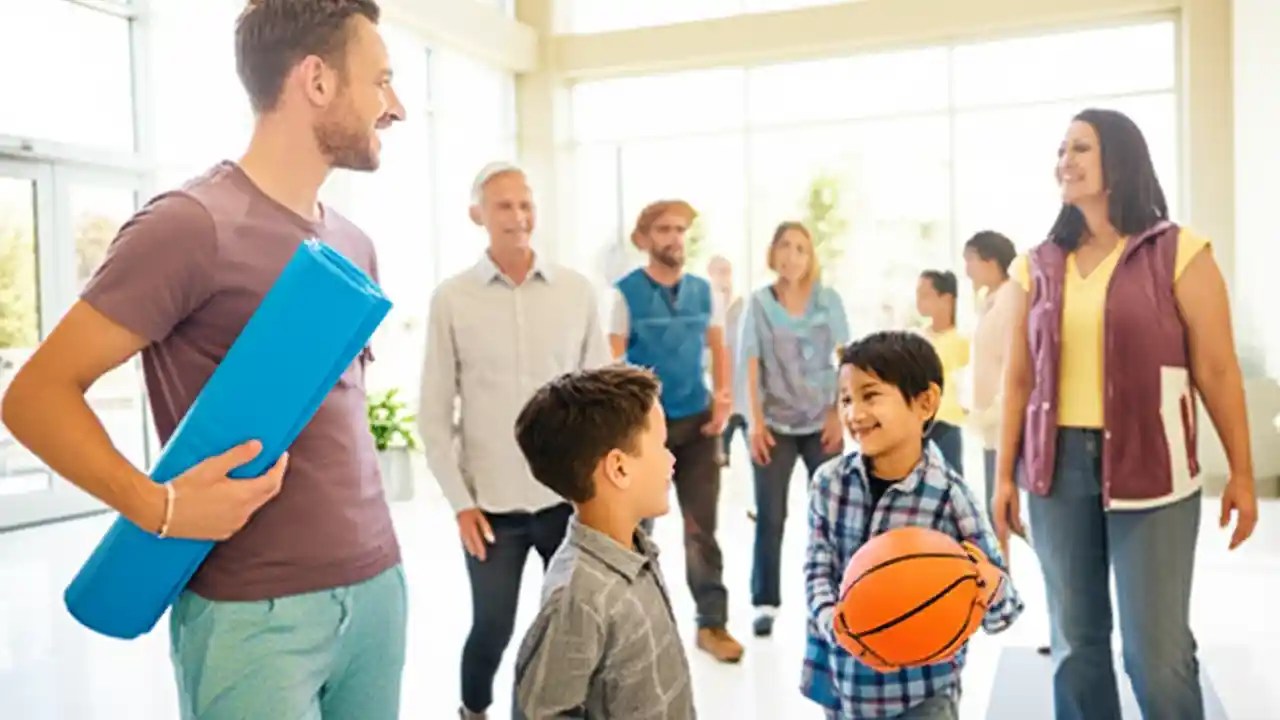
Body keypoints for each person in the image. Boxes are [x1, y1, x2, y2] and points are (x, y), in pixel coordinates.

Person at [1, 2, 408, 718]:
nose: (395, 107)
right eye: (380, 81)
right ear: (315, 79)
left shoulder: (354, 243)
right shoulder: (189, 226)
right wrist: (154, 505)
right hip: (254, 612)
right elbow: (35, 395)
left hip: (377, 590)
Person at [993, 108, 1258, 720]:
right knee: (1075, 650)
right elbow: (1018, 381)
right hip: (1057, 473)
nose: (1066, 161)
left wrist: (1242, 473)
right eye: (1061, 150)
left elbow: (1217, 370)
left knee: (1154, 655)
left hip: (1154, 470)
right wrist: (1004, 477)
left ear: (1120, 156)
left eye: (1080, 148)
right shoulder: (1036, 265)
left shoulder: (1179, 252)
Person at [419, 162, 611, 720]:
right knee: (492, 631)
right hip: (492, 510)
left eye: (526, 204)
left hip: (566, 503)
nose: (519, 216)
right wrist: (460, 505)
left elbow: (599, 399)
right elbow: (434, 414)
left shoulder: (575, 291)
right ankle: (473, 711)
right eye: (504, 205)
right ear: (477, 214)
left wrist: (597, 493)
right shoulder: (452, 299)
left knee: (578, 633)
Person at [802, 331, 1023, 720]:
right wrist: (836, 624)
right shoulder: (828, 483)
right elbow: (817, 569)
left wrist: (986, 584)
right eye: (847, 399)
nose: (855, 413)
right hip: (842, 684)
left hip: (922, 696)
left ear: (925, 403)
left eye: (871, 396)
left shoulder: (950, 498)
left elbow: (1003, 609)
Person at [510, 366, 695, 719]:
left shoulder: (635, 549)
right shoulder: (578, 596)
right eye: (661, 445)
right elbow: (545, 710)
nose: (672, 460)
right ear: (619, 468)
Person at [608, 199, 743, 663]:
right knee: (637, 530)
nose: (674, 238)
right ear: (644, 238)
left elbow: (719, 345)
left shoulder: (706, 292)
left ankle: (712, 624)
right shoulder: (624, 293)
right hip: (646, 429)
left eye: (681, 230)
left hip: (699, 422)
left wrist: (723, 396)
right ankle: (635, 628)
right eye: (664, 229)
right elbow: (613, 359)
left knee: (701, 528)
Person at [740, 221, 848, 637]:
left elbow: (846, 358)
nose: (792, 255)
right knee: (771, 515)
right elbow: (750, 362)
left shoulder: (828, 300)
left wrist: (839, 413)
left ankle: (836, 597)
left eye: (801, 248)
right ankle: (765, 601)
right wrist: (756, 422)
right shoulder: (759, 304)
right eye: (785, 246)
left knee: (831, 515)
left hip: (822, 420)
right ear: (773, 252)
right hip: (776, 425)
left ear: (811, 256)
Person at [960, 231, 1019, 548]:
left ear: (990, 260)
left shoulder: (1011, 299)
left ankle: (1002, 584)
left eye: (970, 260)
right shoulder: (990, 301)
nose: (967, 269)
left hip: (1005, 422)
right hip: (991, 425)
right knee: (995, 514)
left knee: (1005, 514)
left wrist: (991, 409)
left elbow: (1014, 362)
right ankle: (1001, 582)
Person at [915, 270, 969, 475]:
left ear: (946, 299)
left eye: (925, 295)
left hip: (947, 422)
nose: (919, 301)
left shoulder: (963, 340)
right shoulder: (918, 338)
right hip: (919, 423)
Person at [708, 254, 747, 467]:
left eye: (727, 272)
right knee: (717, 463)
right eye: (718, 272)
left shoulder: (745, 310)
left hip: (746, 399)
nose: (724, 278)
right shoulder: (707, 315)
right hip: (721, 400)